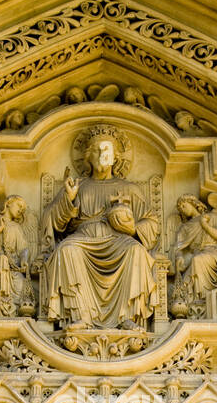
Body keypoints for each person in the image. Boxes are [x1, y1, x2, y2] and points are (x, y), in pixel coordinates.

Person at [41, 126, 160, 329]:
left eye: (107, 150)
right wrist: (68, 198)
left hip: (118, 240)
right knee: (66, 250)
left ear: (116, 158)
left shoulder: (129, 189)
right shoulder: (79, 187)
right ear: (88, 157)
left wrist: (131, 229)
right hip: (83, 238)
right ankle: (81, 315)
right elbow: (53, 223)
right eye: (96, 150)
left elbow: (152, 223)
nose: (101, 154)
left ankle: (127, 316)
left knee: (136, 251)